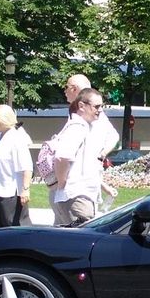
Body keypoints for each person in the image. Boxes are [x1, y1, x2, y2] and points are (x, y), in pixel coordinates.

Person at [49, 73, 120, 224]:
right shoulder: (80, 124)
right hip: (76, 194)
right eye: (97, 107)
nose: (99, 111)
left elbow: (74, 159)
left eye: (66, 87)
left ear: (74, 88)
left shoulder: (84, 122)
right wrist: (62, 183)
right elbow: (64, 157)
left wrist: (101, 154)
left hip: (77, 193)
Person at [0, 105, 33, 228]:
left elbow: (26, 166)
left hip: (12, 192)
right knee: (0, 228)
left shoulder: (16, 137)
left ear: (4, 119)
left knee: (14, 227)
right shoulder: (0, 136)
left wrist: (25, 189)